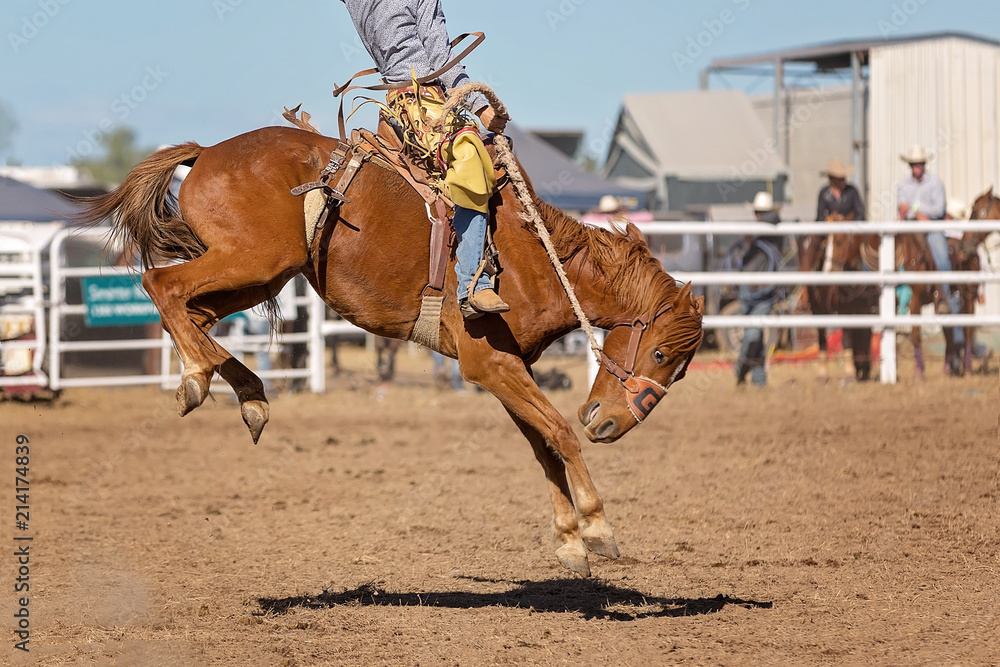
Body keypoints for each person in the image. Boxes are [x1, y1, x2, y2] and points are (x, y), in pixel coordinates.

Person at [338, 0, 510, 320]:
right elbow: (440, 56)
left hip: (398, 102)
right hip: (421, 104)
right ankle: (472, 281)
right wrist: (479, 105)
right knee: (472, 158)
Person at [896, 144, 964, 359]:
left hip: (931, 227)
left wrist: (917, 211)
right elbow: (901, 207)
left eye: (920, 164)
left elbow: (939, 209)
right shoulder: (902, 185)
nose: (917, 167)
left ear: (924, 165)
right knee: (890, 250)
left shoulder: (935, 183)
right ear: (910, 165)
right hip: (909, 226)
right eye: (914, 164)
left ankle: (943, 294)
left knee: (942, 256)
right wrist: (912, 213)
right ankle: (887, 292)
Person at [735, 191, 783, 387]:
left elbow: (772, 219)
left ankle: (740, 368)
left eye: (760, 212)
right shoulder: (757, 234)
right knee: (754, 334)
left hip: (763, 290)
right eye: (756, 212)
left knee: (753, 333)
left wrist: (754, 229)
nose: (757, 215)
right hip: (748, 288)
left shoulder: (770, 226)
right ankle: (758, 377)